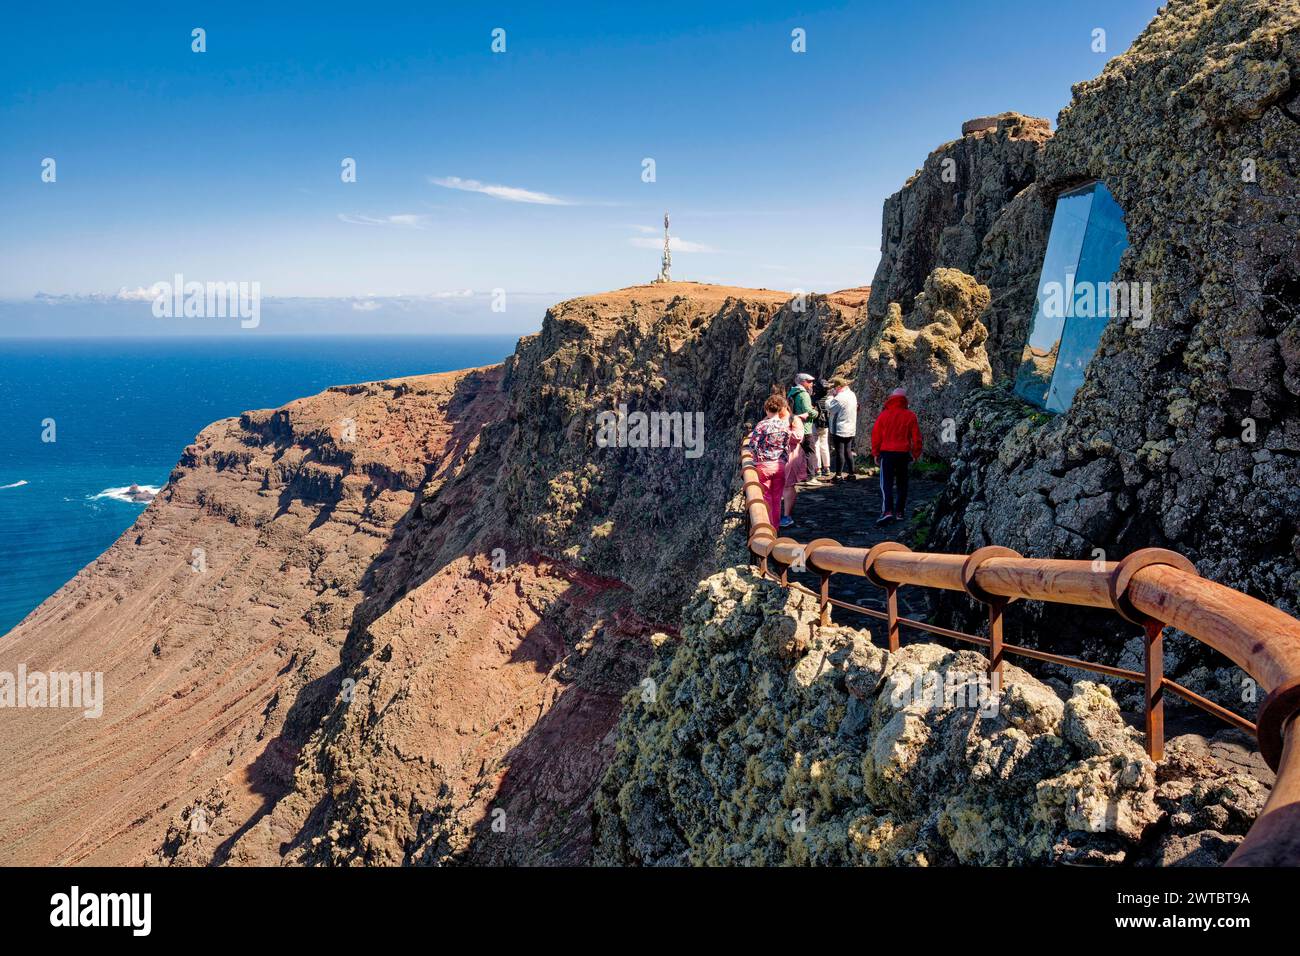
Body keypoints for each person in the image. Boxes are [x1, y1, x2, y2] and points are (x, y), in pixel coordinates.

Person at [870, 386, 923, 525]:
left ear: (891, 398)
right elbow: (916, 437)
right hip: (903, 453)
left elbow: (876, 436)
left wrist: (875, 453)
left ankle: (887, 511)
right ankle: (899, 512)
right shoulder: (910, 415)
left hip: (887, 453)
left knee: (886, 484)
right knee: (902, 484)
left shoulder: (884, 415)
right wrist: (916, 453)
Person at [748, 393, 797, 528]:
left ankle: (765, 528)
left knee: (766, 498)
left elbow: (753, 444)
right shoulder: (785, 426)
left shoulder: (762, 425)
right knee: (776, 499)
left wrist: (756, 457)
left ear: (766, 409)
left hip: (763, 466)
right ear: (781, 409)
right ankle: (775, 528)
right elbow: (786, 446)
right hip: (780, 466)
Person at [827, 378, 858, 481]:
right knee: (848, 451)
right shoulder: (852, 394)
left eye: (835, 388)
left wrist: (830, 397)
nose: (834, 389)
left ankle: (838, 475)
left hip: (839, 427)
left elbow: (830, 408)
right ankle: (851, 474)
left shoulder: (840, 397)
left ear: (838, 387)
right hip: (850, 427)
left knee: (839, 451)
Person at [811, 378, 832, 480]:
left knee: (816, 445)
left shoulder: (814, 398)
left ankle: (817, 469)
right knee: (824, 445)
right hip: (826, 424)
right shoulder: (829, 398)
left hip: (816, 423)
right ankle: (827, 467)